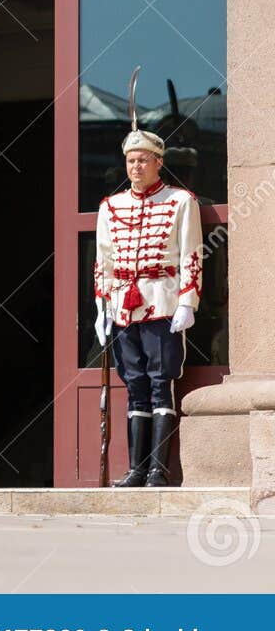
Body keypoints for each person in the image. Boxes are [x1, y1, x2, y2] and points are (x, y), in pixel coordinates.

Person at [94, 128, 203, 487]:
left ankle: (158, 470)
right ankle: (136, 469)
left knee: (160, 382)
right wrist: (101, 307)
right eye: (131, 161)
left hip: (162, 302)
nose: (136, 167)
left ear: (158, 162)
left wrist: (187, 302)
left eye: (143, 160)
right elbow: (104, 261)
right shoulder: (110, 207)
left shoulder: (180, 201)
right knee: (135, 384)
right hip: (122, 305)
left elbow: (191, 254)